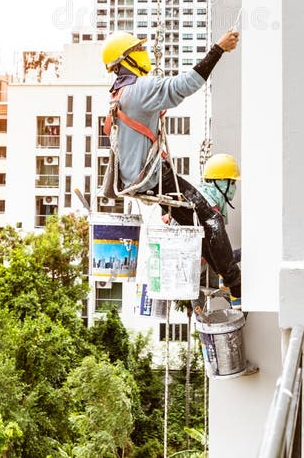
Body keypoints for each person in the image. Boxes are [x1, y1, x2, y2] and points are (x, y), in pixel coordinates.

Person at [100, 29, 242, 301]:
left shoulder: (120, 92)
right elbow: (186, 84)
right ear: (126, 60)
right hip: (155, 178)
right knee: (211, 218)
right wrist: (218, 49)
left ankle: (228, 278)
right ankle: (235, 284)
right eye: (138, 51)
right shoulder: (139, 90)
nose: (144, 54)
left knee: (196, 226)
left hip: (141, 180)